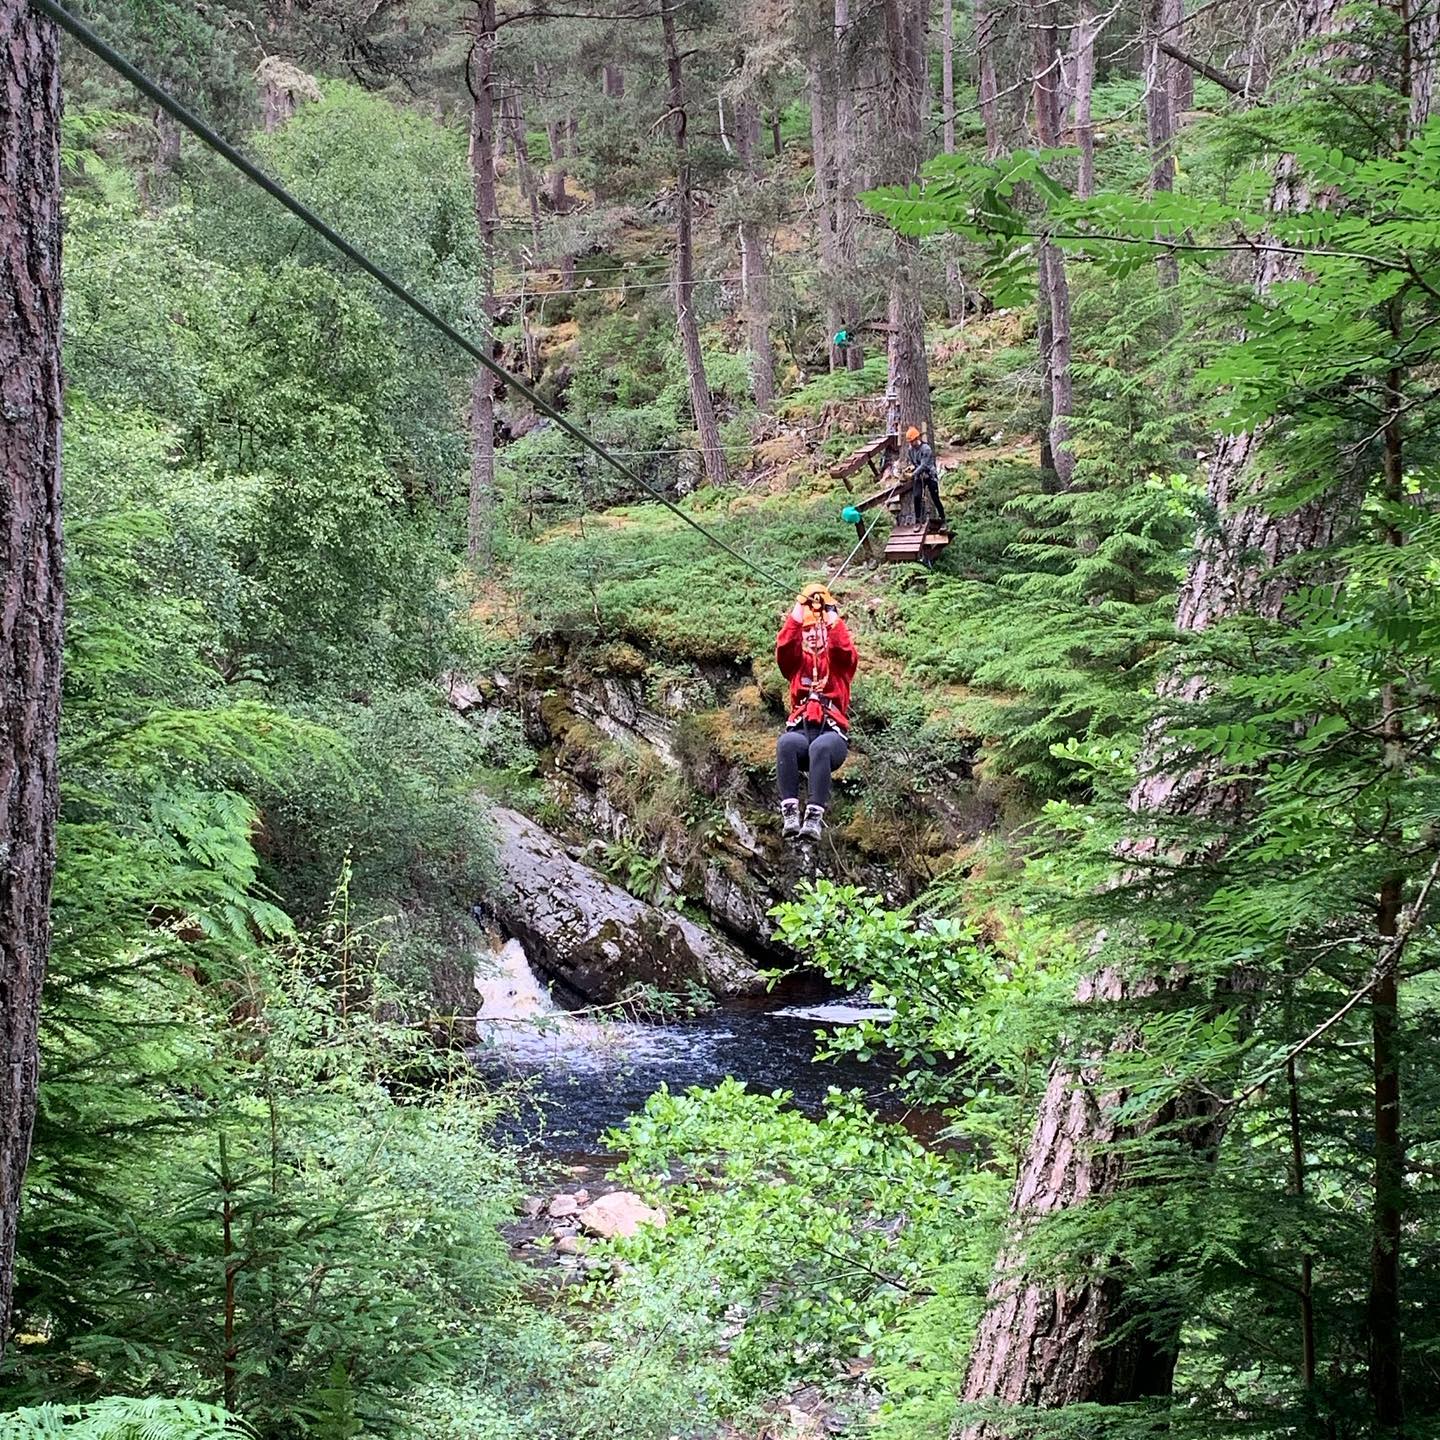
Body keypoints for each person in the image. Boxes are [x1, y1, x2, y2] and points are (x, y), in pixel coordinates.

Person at [774, 582, 858, 842]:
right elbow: (785, 647)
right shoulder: (797, 666)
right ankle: (790, 812)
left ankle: (813, 817)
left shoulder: (839, 667)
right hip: (801, 729)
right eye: (807, 631)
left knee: (820, 748)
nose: (811, 635)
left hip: (831, 734)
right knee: (787, 742)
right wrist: (800, 608)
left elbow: (844, 650)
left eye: (815, 630)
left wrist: (831, 613)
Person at [905, 424, 945, 530]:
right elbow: (915, 462)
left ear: (917, 438)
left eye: (912, 441)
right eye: (910, 442)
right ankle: (918, 521)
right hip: (919, 476)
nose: (911, 444)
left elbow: (924, 465)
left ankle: (943, 520)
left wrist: (913, 475)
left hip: (929, 475)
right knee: (917, 496)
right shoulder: (910, 450)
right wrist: (911, 468)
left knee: (935, 498)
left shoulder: (926, 449)